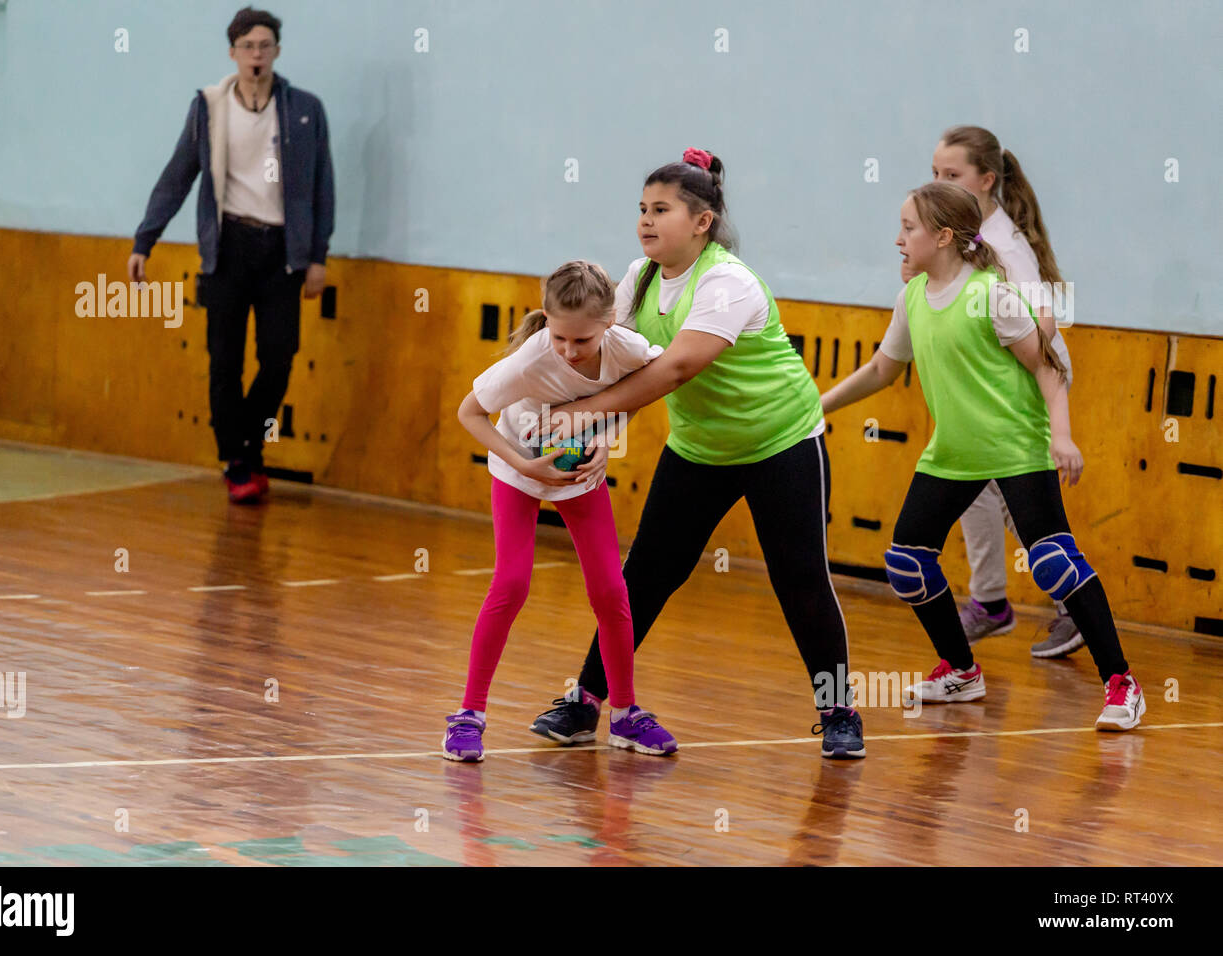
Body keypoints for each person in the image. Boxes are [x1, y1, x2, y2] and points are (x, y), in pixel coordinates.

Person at [527, 149, 865, 760]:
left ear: (702, 221)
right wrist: (603, 432)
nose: (646, 221)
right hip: (700, 448)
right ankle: (585, 702)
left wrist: (584, 416)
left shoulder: (727, 282)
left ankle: (839, 710)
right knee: (646, 574)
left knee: (801, 580)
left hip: (781, 442)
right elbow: (622, 369)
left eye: (661, 210)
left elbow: (677, 367)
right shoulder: (639, 278)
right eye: (641, 210)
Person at [820, 182, 1144, 731]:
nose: (897, 239)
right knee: (907, 561)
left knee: (1053, 562)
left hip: (1017, 445)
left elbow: (1047, 366)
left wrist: (1060, 437)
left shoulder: (991, 293)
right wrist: (813, 406)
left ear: (944, 236)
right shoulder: (913, 297)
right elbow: (881, 370)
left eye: (909, 229)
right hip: (954, 450)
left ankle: (1121, 683)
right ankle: (962, 671)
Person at [445, 260, 678, 762]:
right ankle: (468, 717)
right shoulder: (529, 363)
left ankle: (624, 716)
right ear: (546, 322)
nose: (570, 352)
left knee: (612, 590)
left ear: (610, 322)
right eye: (560, 339)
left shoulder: (628, 348)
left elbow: (648, 385)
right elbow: (469, 413)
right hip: (519, 470)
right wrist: (525, 465)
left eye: (583, 342)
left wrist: (607, 440)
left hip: (579, 476)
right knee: (511, 584)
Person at [127, 6, 334, 504]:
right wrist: (144, 241)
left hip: (284, 251)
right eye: (247, 47)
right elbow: (178, 175)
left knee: (279, 357)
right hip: (228, 248)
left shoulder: (304, 109)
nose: (256, 55)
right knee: (224, 360)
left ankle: (243, 447)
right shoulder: (210, 107)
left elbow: (321, 186)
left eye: (264, 46)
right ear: (232, 53)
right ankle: (238, 459)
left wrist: (318, 255)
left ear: (277, 52)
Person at [925, 126, 1081, 657]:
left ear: (987, 180)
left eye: (953, 175)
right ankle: (992, 601)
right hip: (991, 384)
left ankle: (1073, 607)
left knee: (1022, 500)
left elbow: (1045, 324)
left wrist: (1027, 376)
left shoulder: (1006, 244)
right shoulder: (963, 232)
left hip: (1029, 379)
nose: (940, 183)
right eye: (935, 174)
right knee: (977, 490)